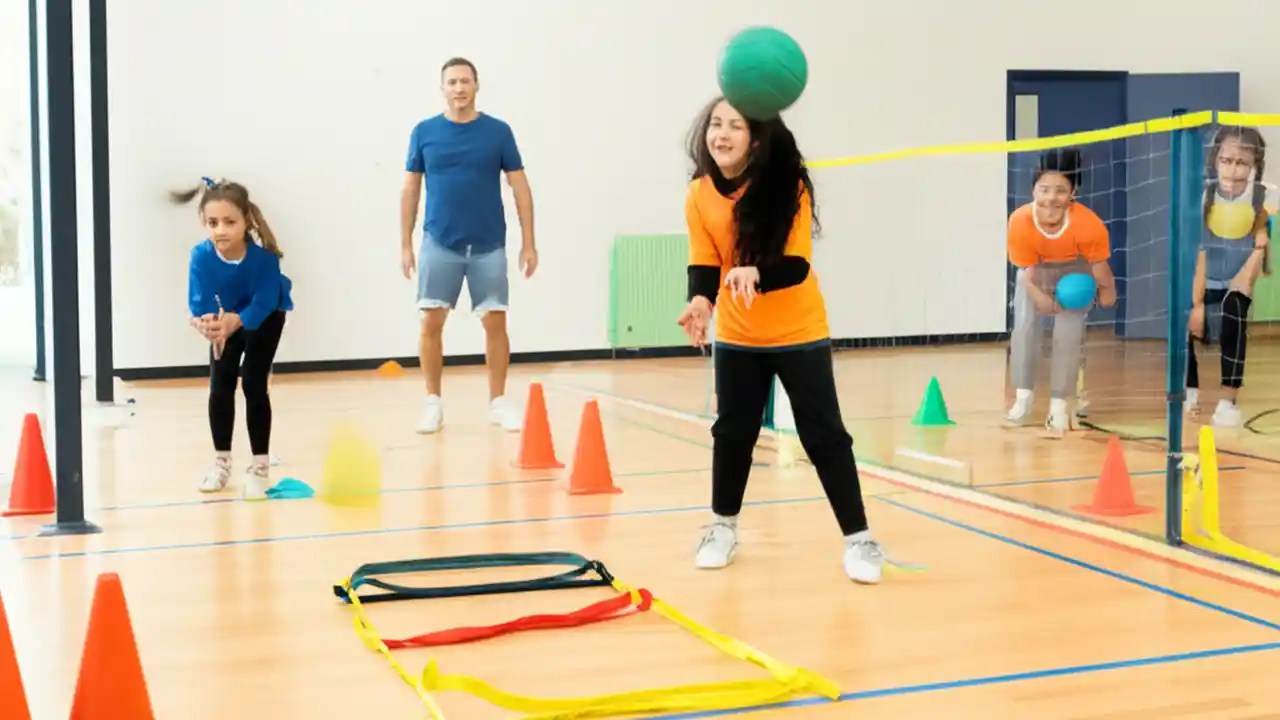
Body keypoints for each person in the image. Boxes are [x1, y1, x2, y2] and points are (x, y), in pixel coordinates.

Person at [676, 97, 884, 584]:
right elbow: (704, 260)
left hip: (799, 333)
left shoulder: (787, 187)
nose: (721, 134)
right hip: (739, 336)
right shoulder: (699, 193)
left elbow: (796, 264)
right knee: (732, 434)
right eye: (715, 124)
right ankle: (722, 528)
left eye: (735, 127)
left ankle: (860, 540)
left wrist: (755, 271)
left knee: (825, 436)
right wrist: (701, 303)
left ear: (756, 139)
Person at [400, 57, 537, 434]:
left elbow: (520, 187)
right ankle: (432, 402)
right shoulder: (424, 132)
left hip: (488, 244)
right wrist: (406, 245)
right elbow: (410, 189)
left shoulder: (498, 132)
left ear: (477, 85)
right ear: (442, 88)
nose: (459, 88)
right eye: (452, 82)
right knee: (431, 321)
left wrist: (529, 243)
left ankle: (497, 401)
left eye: (465, 81)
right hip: (439, 243)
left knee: (495, 321)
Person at [174, 178, 293, 499]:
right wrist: (208, 324)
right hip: (225, 321)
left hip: (265, 317)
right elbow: (198, 300)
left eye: (229, 222)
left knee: (254, 383)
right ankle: (221, 461)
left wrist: (235, 322)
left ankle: (260, 465)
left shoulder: (265, 259)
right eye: (213, 223)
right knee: (220, 383)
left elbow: (265, 300)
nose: (221, 230)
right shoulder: (200, 256)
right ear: (204, 223)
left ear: (246, 222)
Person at [1004, 148, 1117, 437]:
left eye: (1059, 190)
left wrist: (1108, 291)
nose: (1050, 198)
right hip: (1035, 272)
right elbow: (1027, 272)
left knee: (1067, 333)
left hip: (1075, 273)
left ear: (1073, 192)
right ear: (1033, 190)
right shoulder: (1019, 221)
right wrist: (1039, 296)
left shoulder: (1087, 223)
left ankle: (1058, 403)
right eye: (1043, 190)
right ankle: (1023, 396)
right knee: (1025, 328)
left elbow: (1099, 265)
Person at [1187, 126, 1271, 427]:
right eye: (1227, 160)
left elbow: (1261, 248)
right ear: (1216, 160)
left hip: (1237, 279)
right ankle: (1190, 392)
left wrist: (1242, 284)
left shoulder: (1260, 197)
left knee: (1234, 316)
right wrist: (1197, 304)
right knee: (1185, 322)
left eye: (1242, 163)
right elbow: (1199, 251)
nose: (1233, 169)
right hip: (1204, 276)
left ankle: (1227, 401)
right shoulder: (1205, 195)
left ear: (1255, 166)